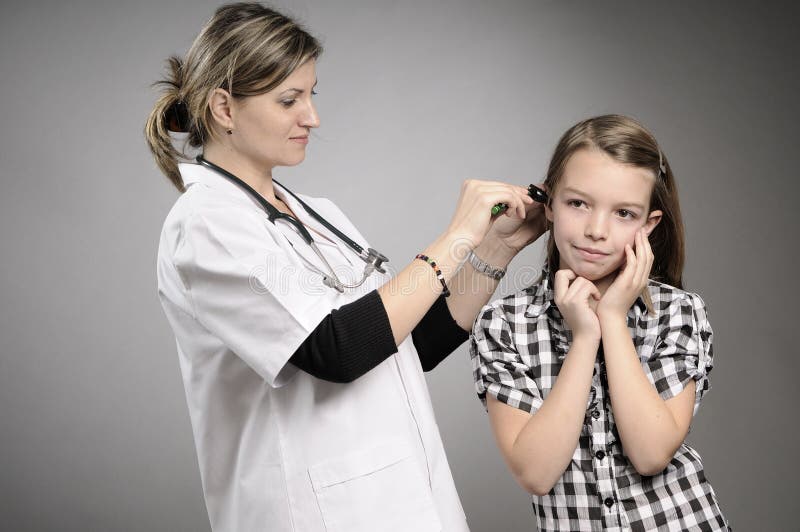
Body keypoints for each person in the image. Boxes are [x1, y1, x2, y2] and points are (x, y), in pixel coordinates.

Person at [145, 3, 544, 531]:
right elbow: (337, 349)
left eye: (311, 95)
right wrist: (456, 238)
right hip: (314, 513)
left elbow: (406, 344)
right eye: (289, 99)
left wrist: (494, 250)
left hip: (401, 500)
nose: (312, 117)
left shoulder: (320, 215)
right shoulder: (206, 224)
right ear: (224, 107)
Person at [470, 115, 730, 531]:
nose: (596, 230)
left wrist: (611, 318)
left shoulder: (677, 312)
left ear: (648, 225)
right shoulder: (505, 324)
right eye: (578, 203)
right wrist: (584, 338)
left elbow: (650, 453)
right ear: (549, 204)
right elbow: (535, 472)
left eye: (624, 213)